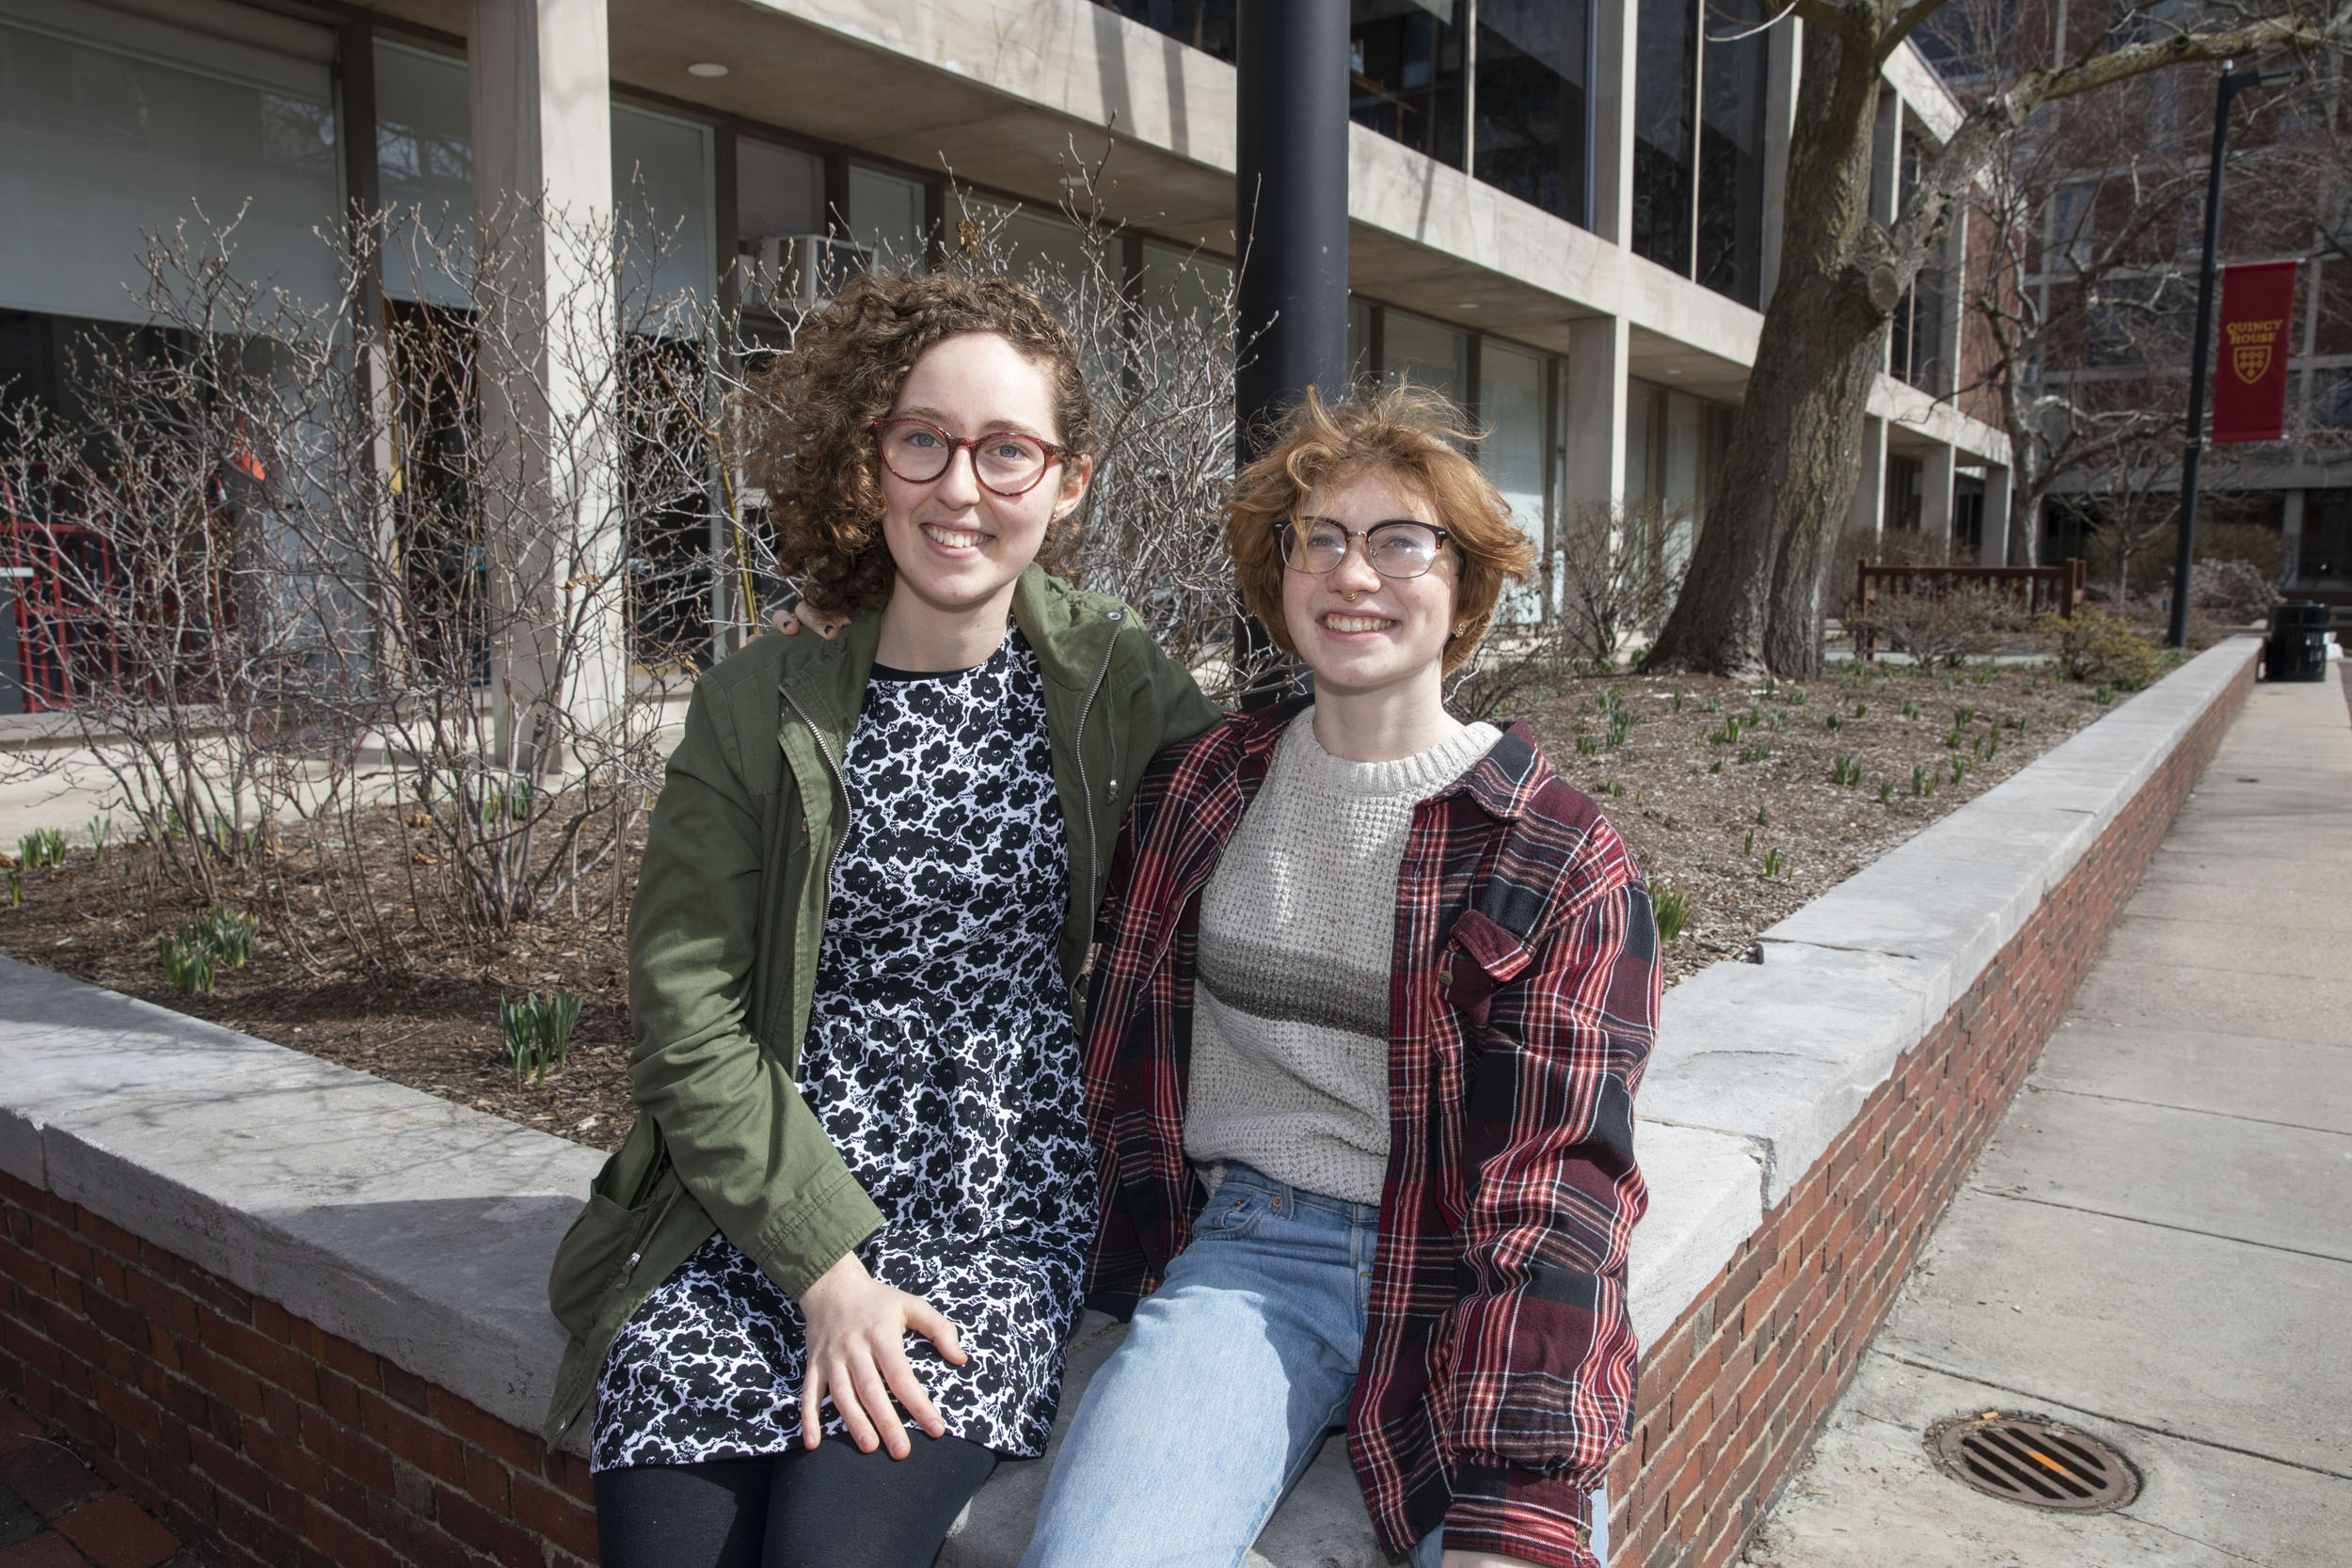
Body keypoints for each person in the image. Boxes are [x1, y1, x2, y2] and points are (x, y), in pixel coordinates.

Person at [539, 269, 1221, 1568]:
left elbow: (1259, 811)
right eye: (926, 439)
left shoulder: (1110, 678)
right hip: (761, 1194)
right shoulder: (760, 702)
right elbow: (689, 1023)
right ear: (876, 456)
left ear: (1066, 484)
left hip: (999, 1202)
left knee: (831, 1548)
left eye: (1007, 450)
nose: (960, 487)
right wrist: (827, 1274)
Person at [1019, 386, 1656, 1568]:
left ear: (1462, 585)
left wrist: (1518, 1497)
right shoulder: (1201, 787)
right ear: (1281, 575)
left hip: (1467, 1269)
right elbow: (1020, 630)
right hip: (1249, 1255)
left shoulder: (1555, 853)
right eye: (1321, 537)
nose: (1354, 573)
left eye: (1402, 540)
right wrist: (845, 612)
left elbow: (1561, 1184)